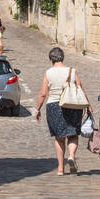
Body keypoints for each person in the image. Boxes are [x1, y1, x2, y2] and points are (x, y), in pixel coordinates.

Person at [34, 47, 86, 175]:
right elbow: (80, 88)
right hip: (72, 105)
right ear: (62, 57)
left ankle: (60, 168)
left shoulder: (48, 73)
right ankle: (72, 155)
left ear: (51, 59)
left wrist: (37, 109)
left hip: (54, 106)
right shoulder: (72, 71)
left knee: (59, 138)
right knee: (73, 134)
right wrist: (88, 105)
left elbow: (43, 93)